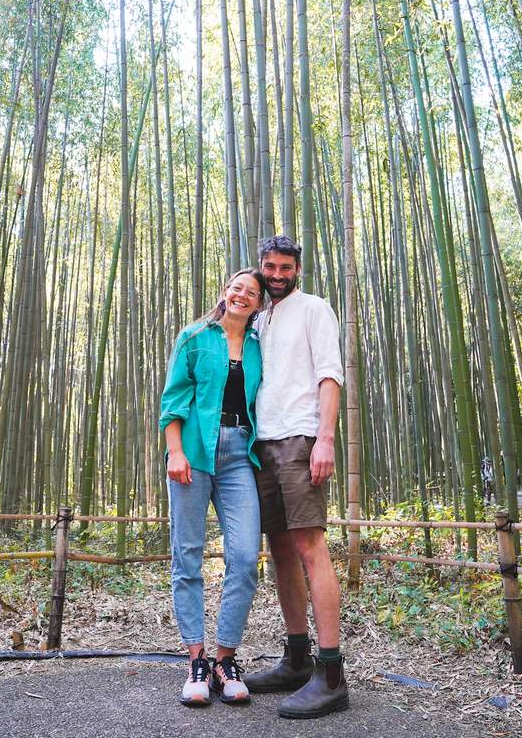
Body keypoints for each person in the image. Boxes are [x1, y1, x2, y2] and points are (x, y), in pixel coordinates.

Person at [244, 235, 350, 719]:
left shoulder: (314, 308)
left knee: (311, 547)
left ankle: (331, 676)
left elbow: (330, 373)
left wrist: (324, 438)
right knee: (280, 552)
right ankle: (296, 658)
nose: (278, 274)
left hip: (300, 439)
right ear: (261, 267)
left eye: (286, 266)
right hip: (262, 443)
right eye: (271, 266)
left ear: (298, 270)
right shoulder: (258, 318)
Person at [158, 268, 269, 707]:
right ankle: (196, 660)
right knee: (187, 555)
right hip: (193, 451)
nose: (243, 295)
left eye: (252, 292)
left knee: (244, 557)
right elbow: (173, 400)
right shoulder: (194, 337)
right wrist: (175, 453)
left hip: (241, 452)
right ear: (225, 292)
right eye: (237, 288)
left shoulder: (261, 346)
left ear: (259, 304)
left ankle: (225, 659)